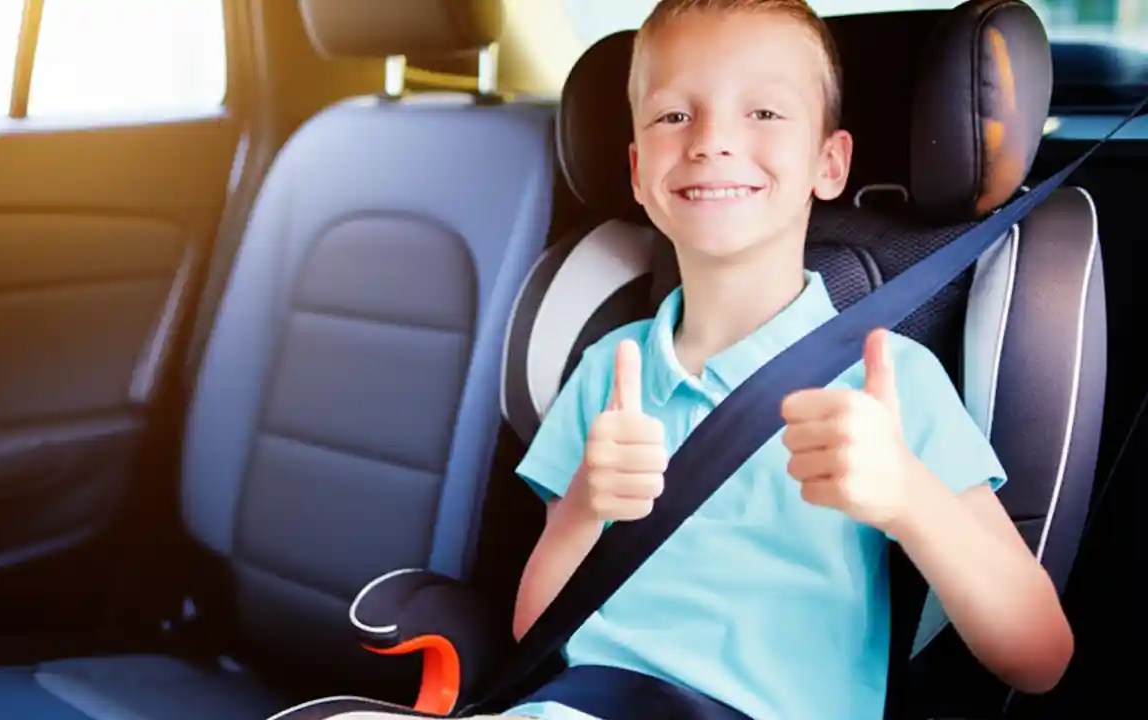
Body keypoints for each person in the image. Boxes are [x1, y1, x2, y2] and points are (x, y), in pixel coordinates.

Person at [333, 1, 1073, 718]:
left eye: (764, 113)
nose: (711, 139)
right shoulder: (607, 371)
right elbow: (538, 629)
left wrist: (910, 498)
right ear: (636, 170)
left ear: (829, 162)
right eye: (673, 115)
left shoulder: (889, 386)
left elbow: (1040, 656)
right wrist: (585, 507)